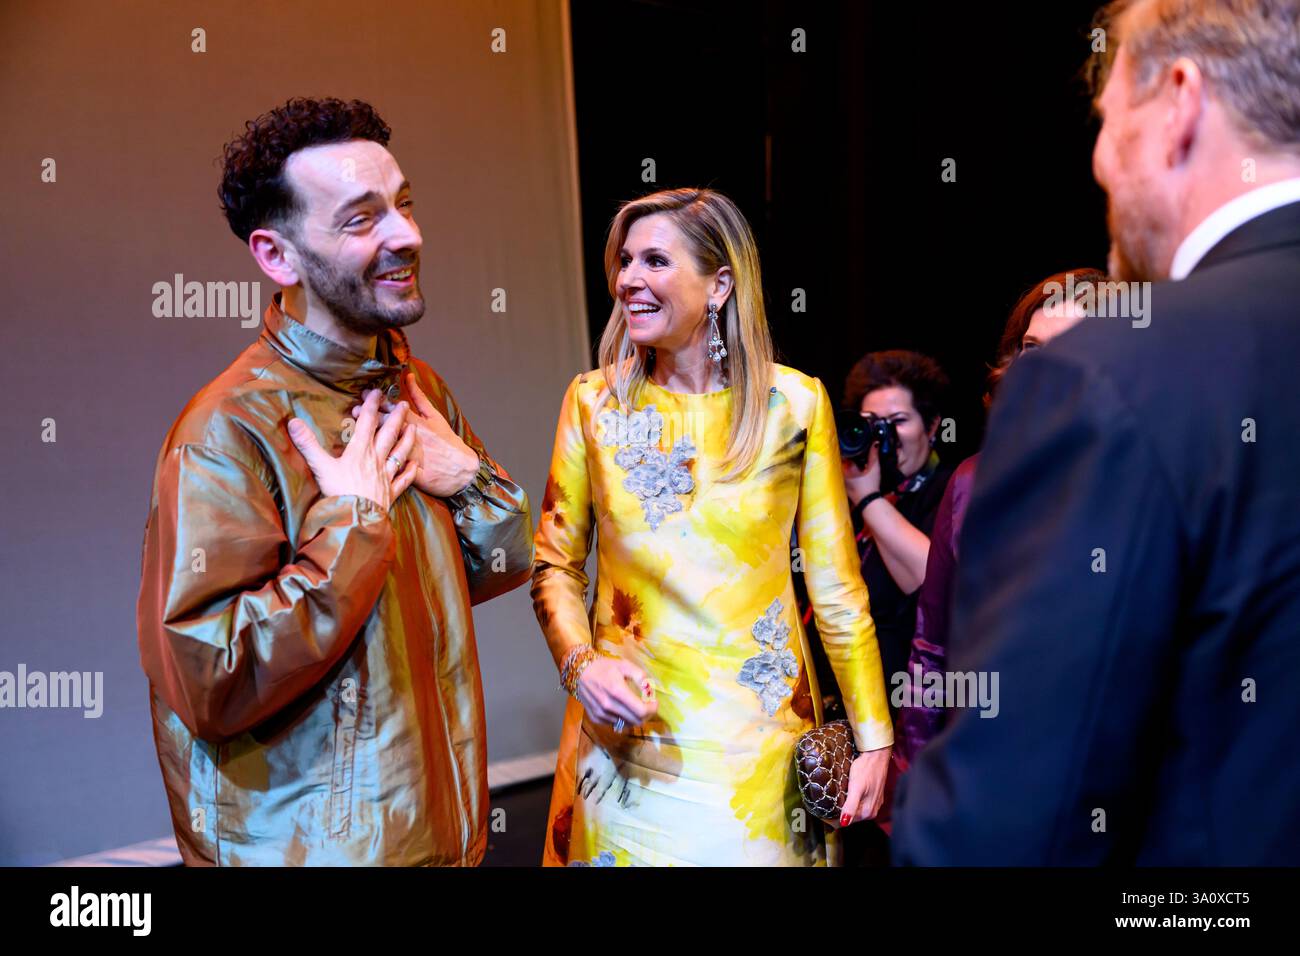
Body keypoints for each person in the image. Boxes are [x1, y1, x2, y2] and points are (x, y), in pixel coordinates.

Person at [893, 0, 1300, 864]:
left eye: (1110, 122)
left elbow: (1012, 813)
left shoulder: (1108, 376)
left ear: (1181, 102)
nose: (1098, 163)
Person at [136, 97, 533, 866]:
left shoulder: (413, 388)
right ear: (276, 257)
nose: (406, 235)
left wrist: (471, 480)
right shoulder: (226, 432)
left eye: (404, 204)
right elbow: (210, 680)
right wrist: (352, 522)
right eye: (362, 220)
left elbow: (501, 564)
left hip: (443, 839)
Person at [531, 187, 893, 866]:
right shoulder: (592, 404)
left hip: (758, 757)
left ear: (719, 283)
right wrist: (580, 664)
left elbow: (838, 589)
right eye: (625, 260)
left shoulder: (794, 406)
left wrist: (874, 735)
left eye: (655, 261)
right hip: (628, 748)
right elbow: (552, 565)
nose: (629, 279)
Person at [893, 268, 1106, 769]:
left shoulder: (1148, 481)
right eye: (1032, 348)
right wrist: (912, 793)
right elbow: (931, 650)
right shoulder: (971, 483)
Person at [840, 351, 954, 701]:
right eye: (872, 423)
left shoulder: (951, 491)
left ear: (932, 426)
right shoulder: (848, 493)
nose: (885, 435)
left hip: (914, 706)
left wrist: (869, 500)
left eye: (899, 421)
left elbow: (931, 580)